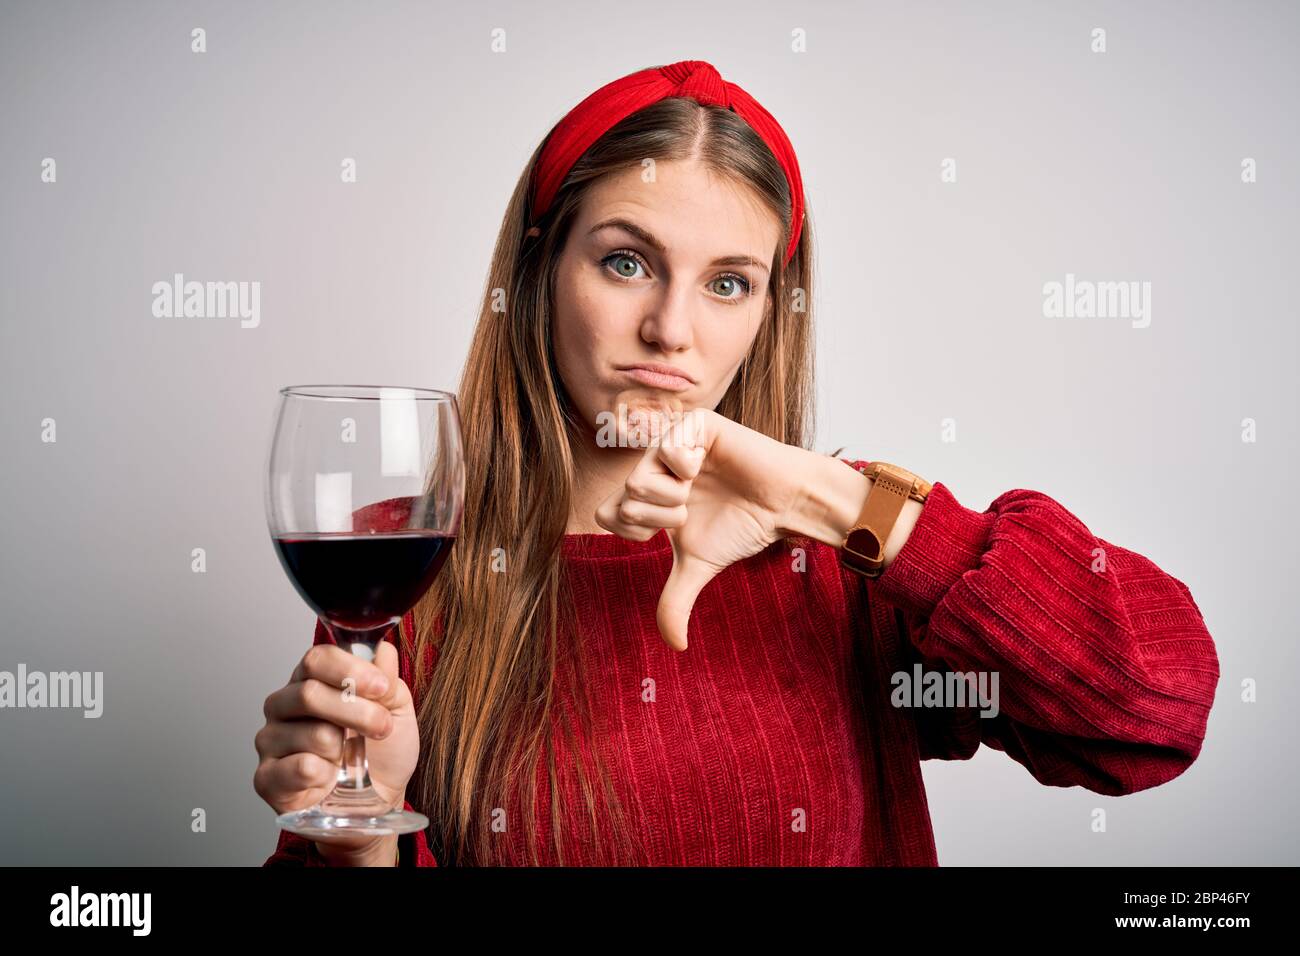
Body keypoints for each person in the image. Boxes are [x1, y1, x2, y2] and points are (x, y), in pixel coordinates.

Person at [255, 60, 1219, 867]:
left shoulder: (849, 553)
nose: (671, 331)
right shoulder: (410, 558)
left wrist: (826, 497)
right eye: (626, 261)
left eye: (728, 284)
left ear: (770, 313)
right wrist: (359, 845)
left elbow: (1154, 712)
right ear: (541, 267)